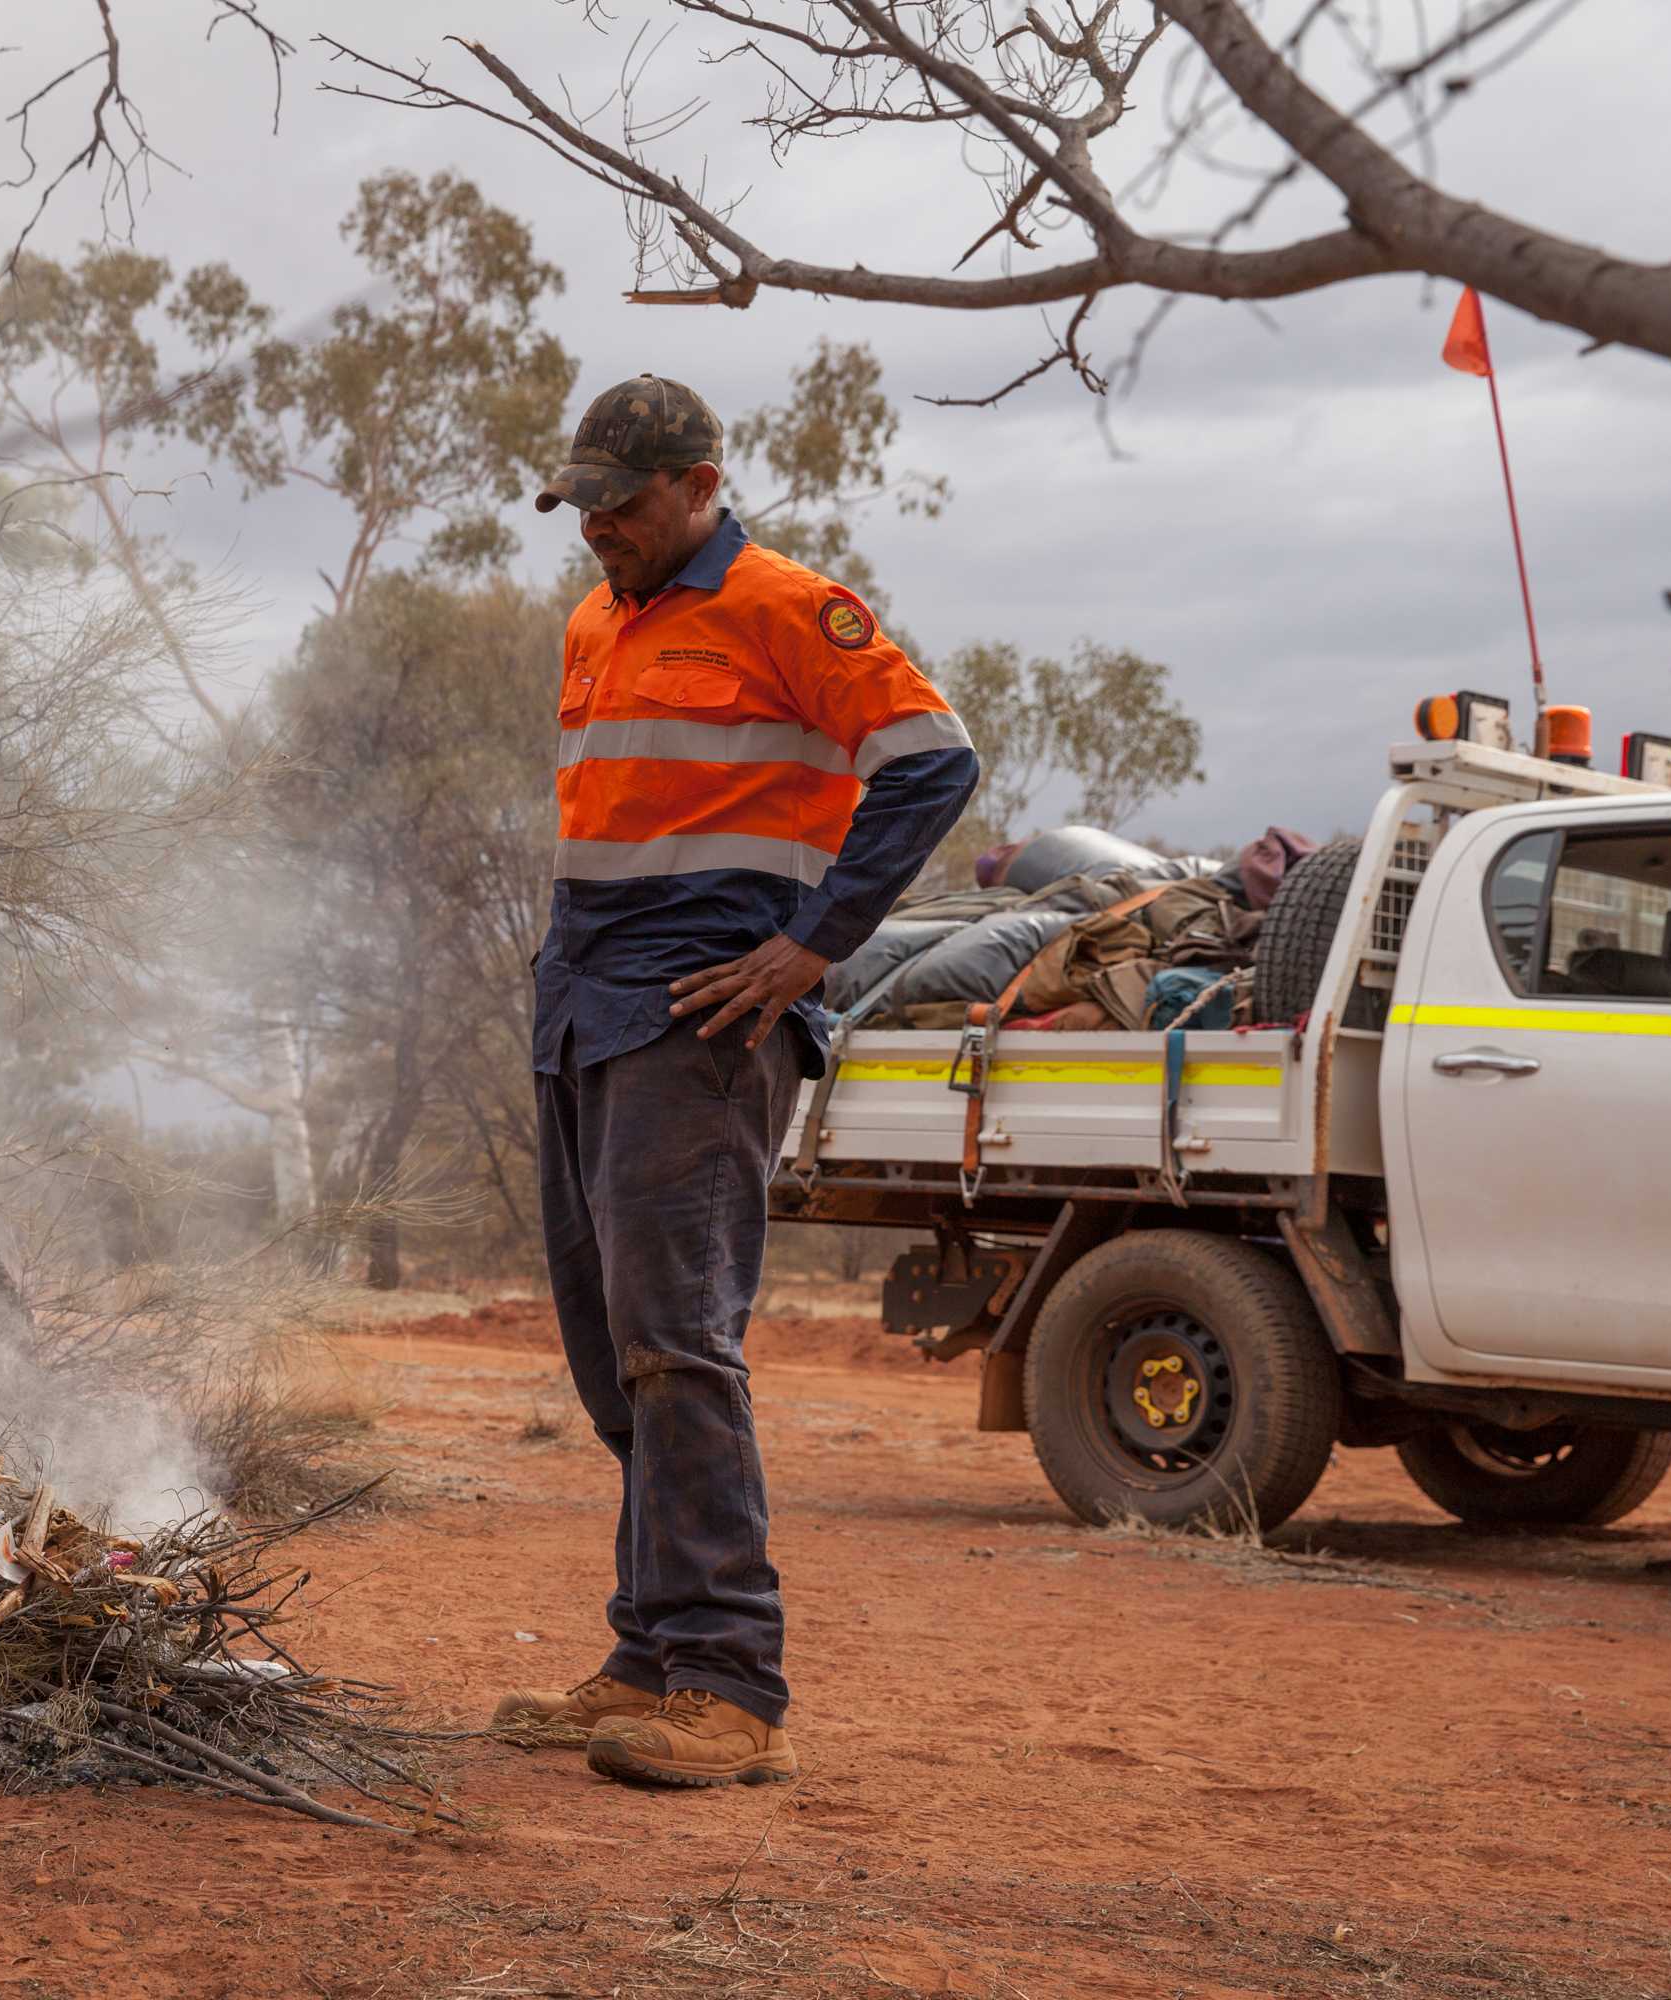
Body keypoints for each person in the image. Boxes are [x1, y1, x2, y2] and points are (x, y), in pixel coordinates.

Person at [492, 375, 978, 1788]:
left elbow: (932, 764)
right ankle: (649, 1654)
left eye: (622, 504)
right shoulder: (595, 621)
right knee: (613, 1355)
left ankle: (731, 1682)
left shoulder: (789, 608)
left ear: (701, 487)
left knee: (677, 1343)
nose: (598, 528)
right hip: (582, 1008)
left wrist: (813, 946)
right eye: (583, 505)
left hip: (698, 1019)